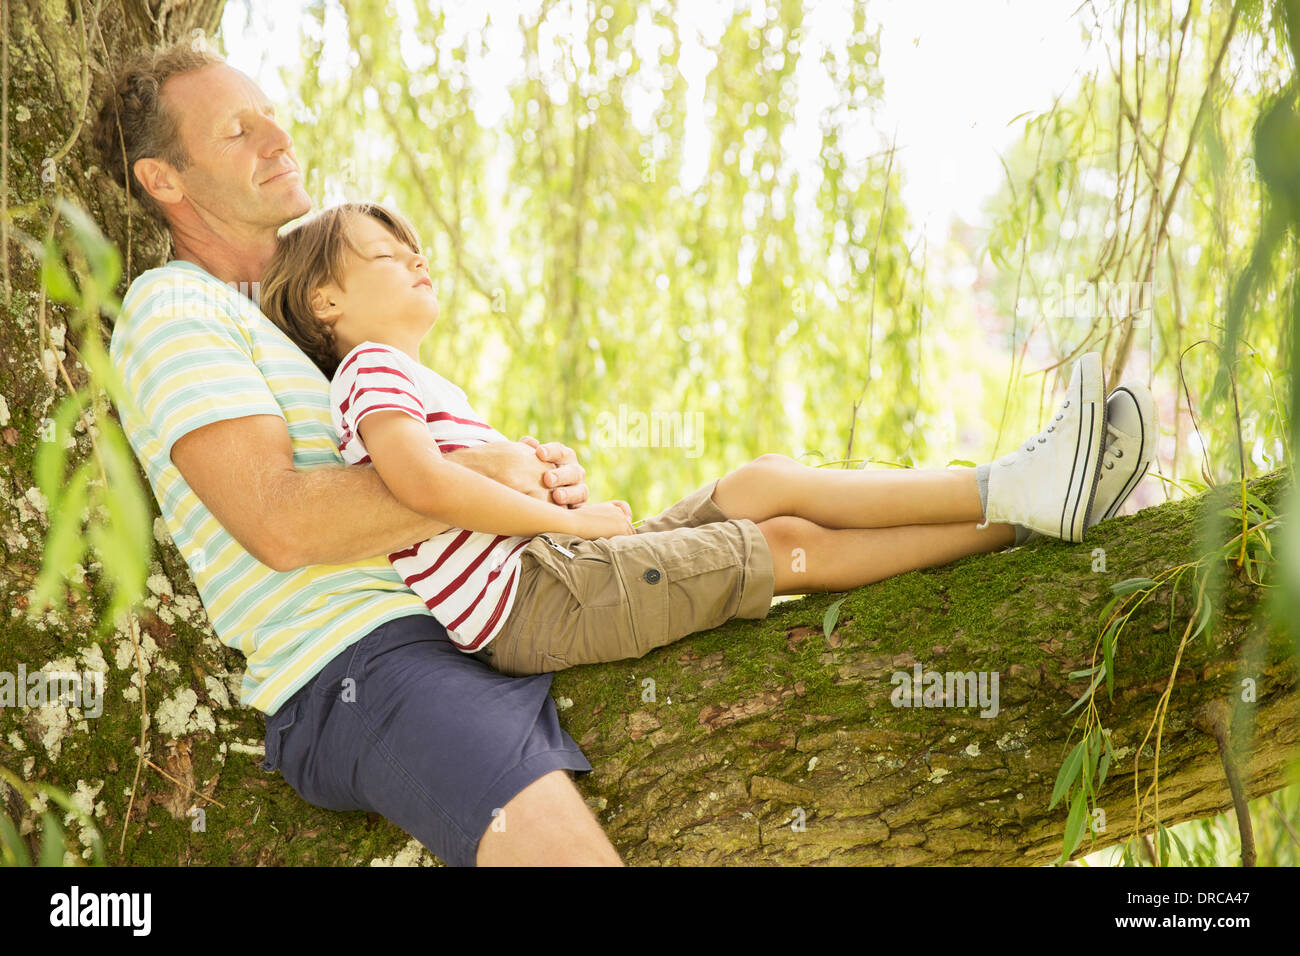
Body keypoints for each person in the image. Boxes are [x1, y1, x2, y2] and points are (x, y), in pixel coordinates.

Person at [92, 44, 622, 866]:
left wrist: (537, 483)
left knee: (744, 526)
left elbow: (426, 469)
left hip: (479, 614)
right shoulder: (176, 310)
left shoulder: (317, 327)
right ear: (166, 180)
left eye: (272, 113)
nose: (279, 137)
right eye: (240, 130)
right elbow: (282, 524)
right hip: (362, 661)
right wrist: (477, 476)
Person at [258, 200, 1160, 679]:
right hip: (537, 598)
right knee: (781, 547)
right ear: (326, 303)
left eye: (418, 252)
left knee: (762, 479)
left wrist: (548, 480)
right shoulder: (369, 371)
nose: (417, 261)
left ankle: (1007, 484)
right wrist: (576, 527)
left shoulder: (415, 381)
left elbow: (464, 482)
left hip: (552, 568)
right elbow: (420, 489)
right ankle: (1022, 518)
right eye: (387, 255)